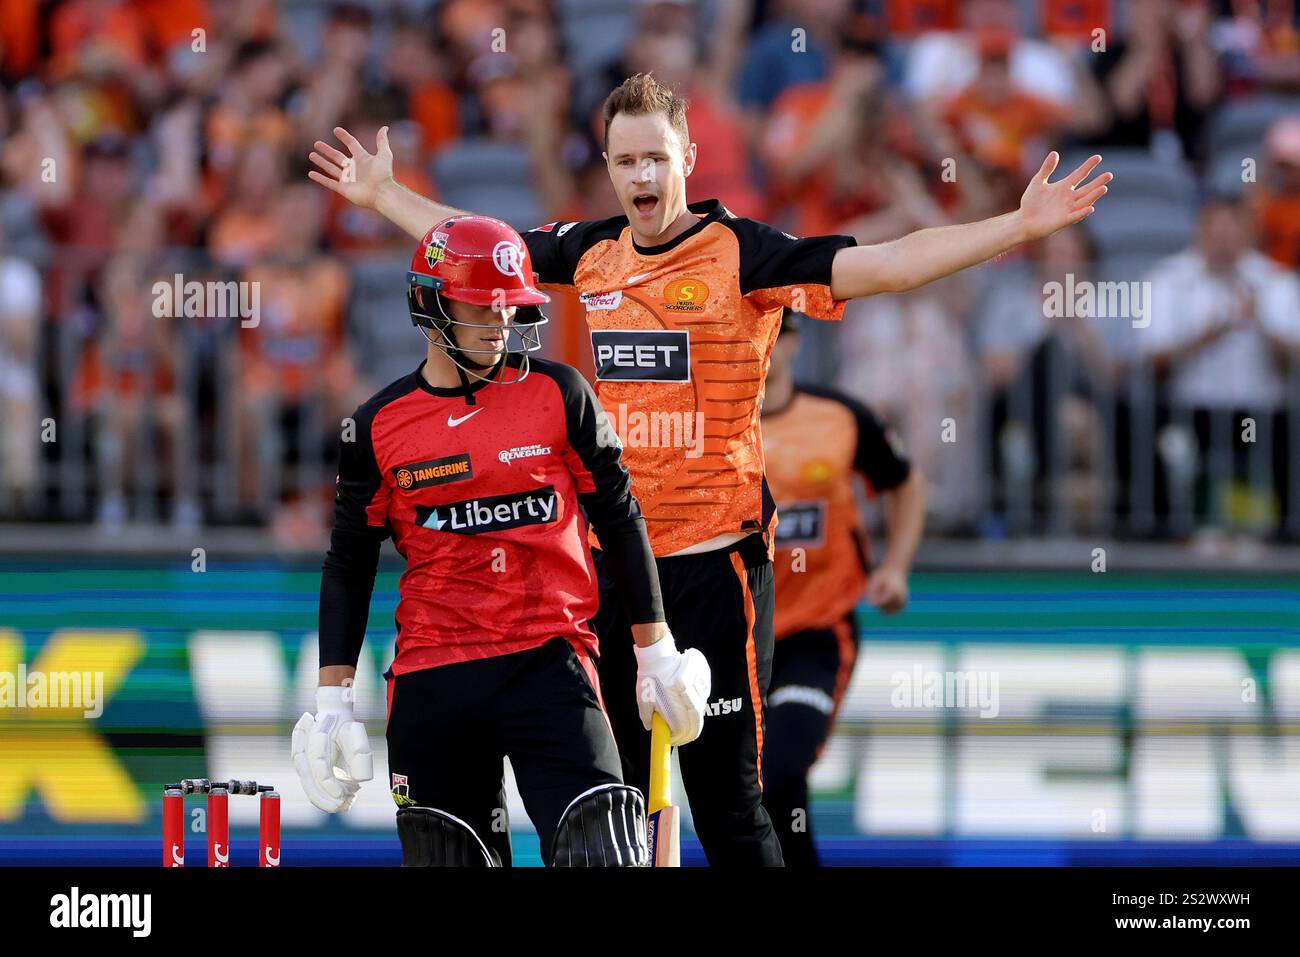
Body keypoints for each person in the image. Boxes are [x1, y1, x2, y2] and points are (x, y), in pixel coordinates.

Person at [307, 72, 1110, 866]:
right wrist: (384, 196)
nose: (641, 177)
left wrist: (1016, 226)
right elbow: (481, 253)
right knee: (613, 817)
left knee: (728, 806)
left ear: (688, 154)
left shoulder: (746, 255)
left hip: (714, 573)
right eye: (624, 162)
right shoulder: (594, 253)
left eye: (656, 157)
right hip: (613, 580)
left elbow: (892, 263)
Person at [291, 215, 710, 867]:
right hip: (435, 676)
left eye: (508, 307)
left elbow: (622, 518)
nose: (498, 323)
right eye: (479, 306)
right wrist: (333, 700)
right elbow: (349, 561)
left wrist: (656, 652)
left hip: (550, 660)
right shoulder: (376, 426)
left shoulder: (560, 393)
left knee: (602, 849)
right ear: (430, 304)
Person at [760, 312, 925, 866]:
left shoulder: (840, 417)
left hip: (815, 634)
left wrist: (895, 566)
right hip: (727, 639)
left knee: (779, 772)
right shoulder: (701, 428)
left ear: (792, 343)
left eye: (767, 330)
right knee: (745, 793)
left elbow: (904, 481)